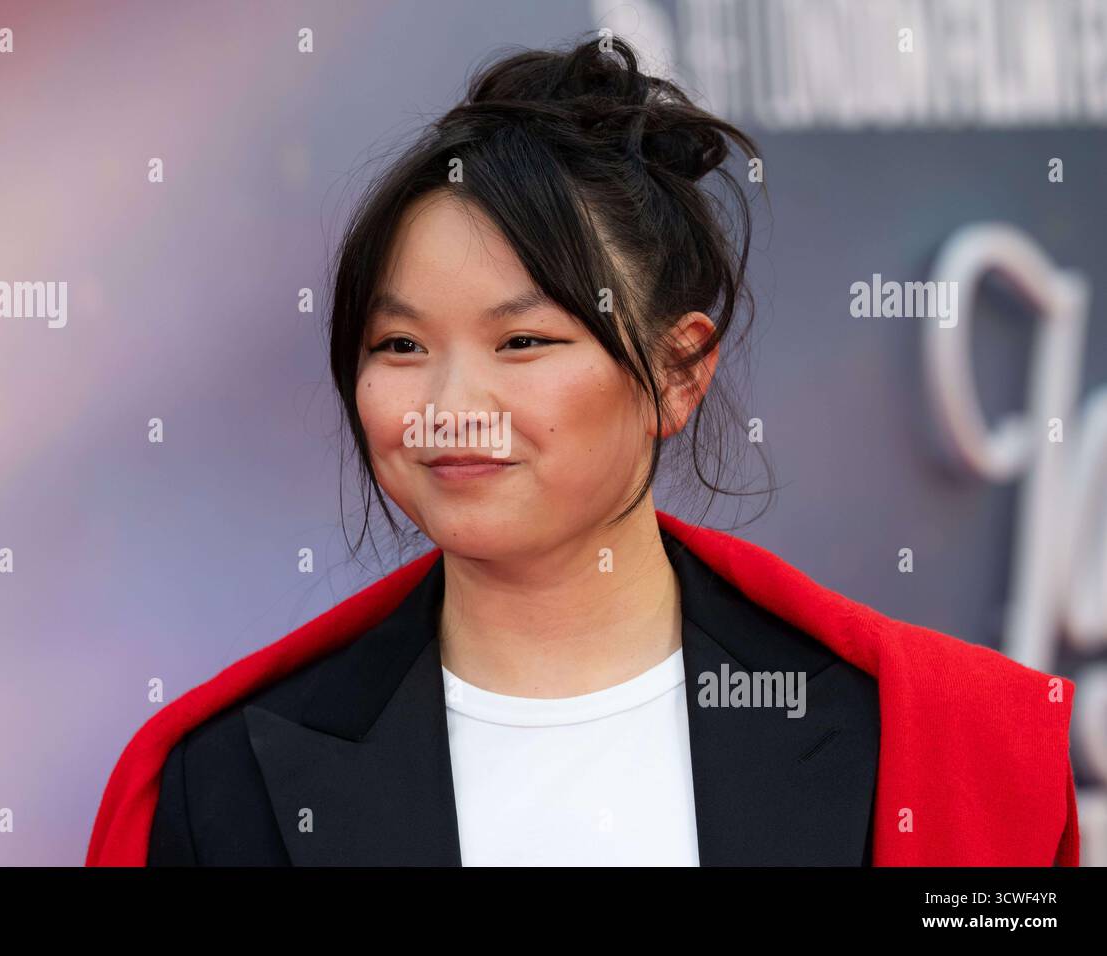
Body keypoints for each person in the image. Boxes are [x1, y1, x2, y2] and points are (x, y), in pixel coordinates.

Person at [87, 33, 1079, 867]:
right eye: (399, 345)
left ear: (680, 371)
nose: (449, 405)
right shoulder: (221, 783)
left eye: (522, 341)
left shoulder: (928, 744)